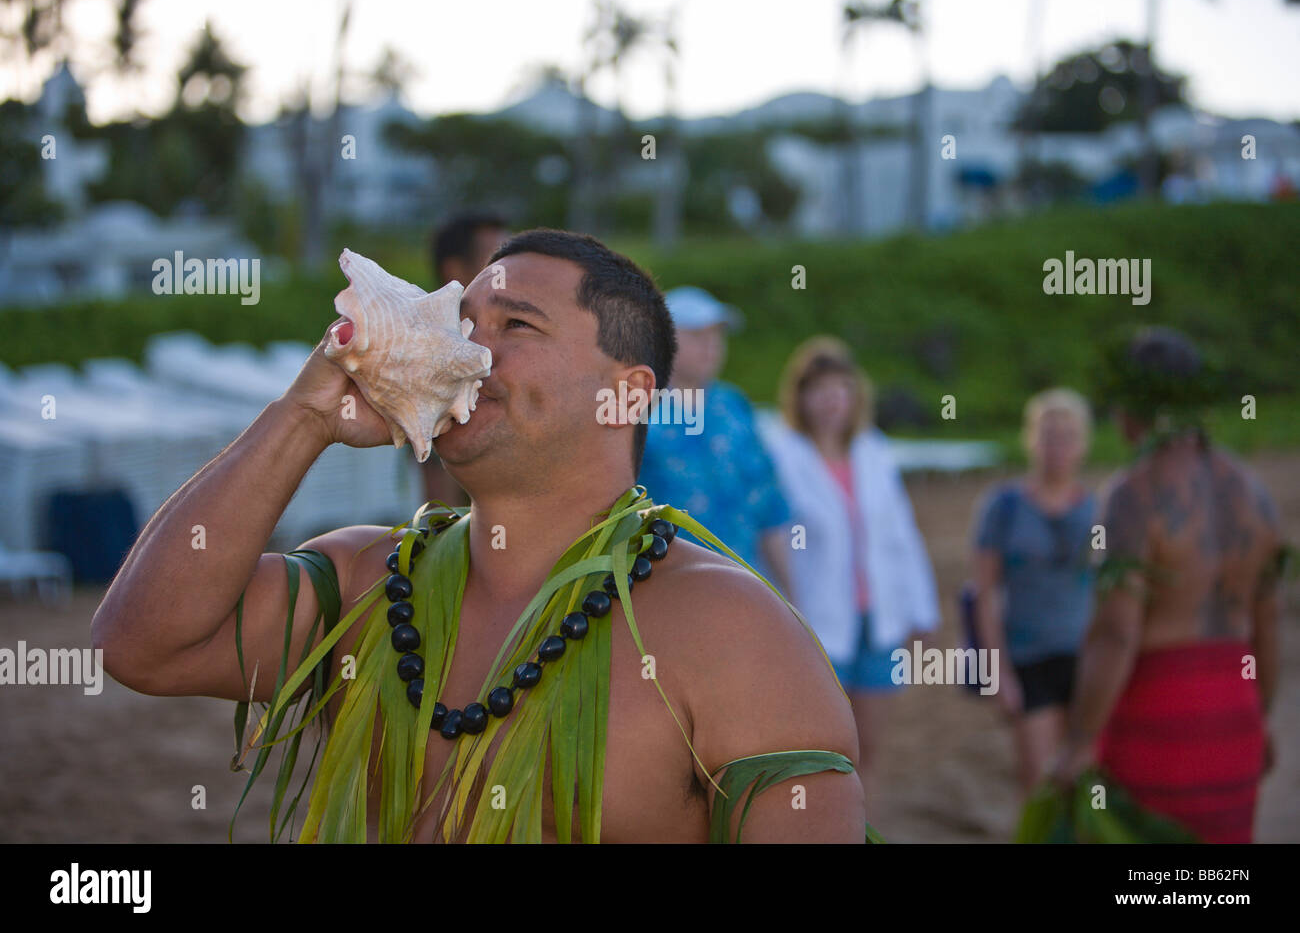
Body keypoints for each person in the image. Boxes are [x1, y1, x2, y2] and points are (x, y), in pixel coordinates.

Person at [92, 229, 866, 843]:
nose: (466, 351)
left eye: (514, 325)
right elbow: (144, 645)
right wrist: (305, 417)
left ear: (626, 393)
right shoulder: (367, 584)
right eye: (461, 326)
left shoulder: (734, 631)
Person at [1050, 327, 1281, 843]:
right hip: (1236, 713)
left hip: (1158, 715)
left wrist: (1080, 742)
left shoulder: (1132, 495)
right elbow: (1268, 626)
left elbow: (1115, 632)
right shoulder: (1254, 493)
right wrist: (1259, 716)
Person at [759, 336, 940, 817]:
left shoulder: (874, 451)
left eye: (841, 387)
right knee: (825, 745)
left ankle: (860, 825)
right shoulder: (780, 454)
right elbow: (771, 532)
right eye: (818, 389)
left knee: (870, 746)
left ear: (856, 394)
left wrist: (920, 609)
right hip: (816, 622)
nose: (831, 399)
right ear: (799, 396)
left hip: (878, 619)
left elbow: (900, 533)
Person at [970, 388, 1096, 796]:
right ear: (1031, 440)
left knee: (1085, 785)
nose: (1057, 446)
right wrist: (997, 675)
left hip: (1088, 659)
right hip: (1026, 660)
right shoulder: (1002, 508)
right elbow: (984, 596)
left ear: (1084, 444)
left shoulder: (1099, 510)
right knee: (1038, 788)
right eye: (1048, 434)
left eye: (1067, 435)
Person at [636, 286, 793, 594]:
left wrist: (790, 597)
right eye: (697, 335)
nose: (712, 346)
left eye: (717, 335)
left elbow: (769, 504)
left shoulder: (735, 406)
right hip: (665, 589)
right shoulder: (638, 410)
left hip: (745, 583)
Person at [420, 213, 511, 509]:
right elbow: (435, 474)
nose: (512, 272)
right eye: (498, 262)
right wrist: (438, 541)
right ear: (454, 269)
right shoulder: (437, 354)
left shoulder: (500, 343)